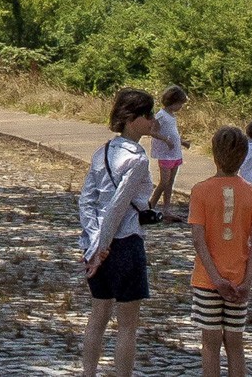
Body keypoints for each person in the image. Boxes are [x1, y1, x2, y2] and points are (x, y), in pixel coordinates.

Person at [78, 87, 157, 377]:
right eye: (147, 115)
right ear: (131, 118)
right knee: (127, 324)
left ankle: (89, 373)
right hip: (123, 245)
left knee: (97, 315)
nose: (151, 121)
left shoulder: (103, 152)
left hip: (96, 243)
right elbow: (118, 205)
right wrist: (102, 249)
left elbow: (87, 200)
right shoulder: (137, 159)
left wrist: (91, 241)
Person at [188, 126, 252, 377]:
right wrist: (247, 280)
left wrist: (215, 278)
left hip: (207, 280)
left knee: (210, 345)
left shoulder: (200, 191)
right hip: (239, 280)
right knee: (235, 344)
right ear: (243, 157)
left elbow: (199, 241)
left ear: (213, 154)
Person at [149, 85, 191, 220]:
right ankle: (151, 205)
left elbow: (174, 134)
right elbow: (153, 131)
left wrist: (182, 142)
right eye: (179, 104)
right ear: (172, 102)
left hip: (175, 153)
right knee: (164, 182)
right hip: (165, 154)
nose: (181, 107)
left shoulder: (172, 116)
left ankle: (167, 209)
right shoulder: (161, 115)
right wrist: (165, 140)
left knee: (170, 182)